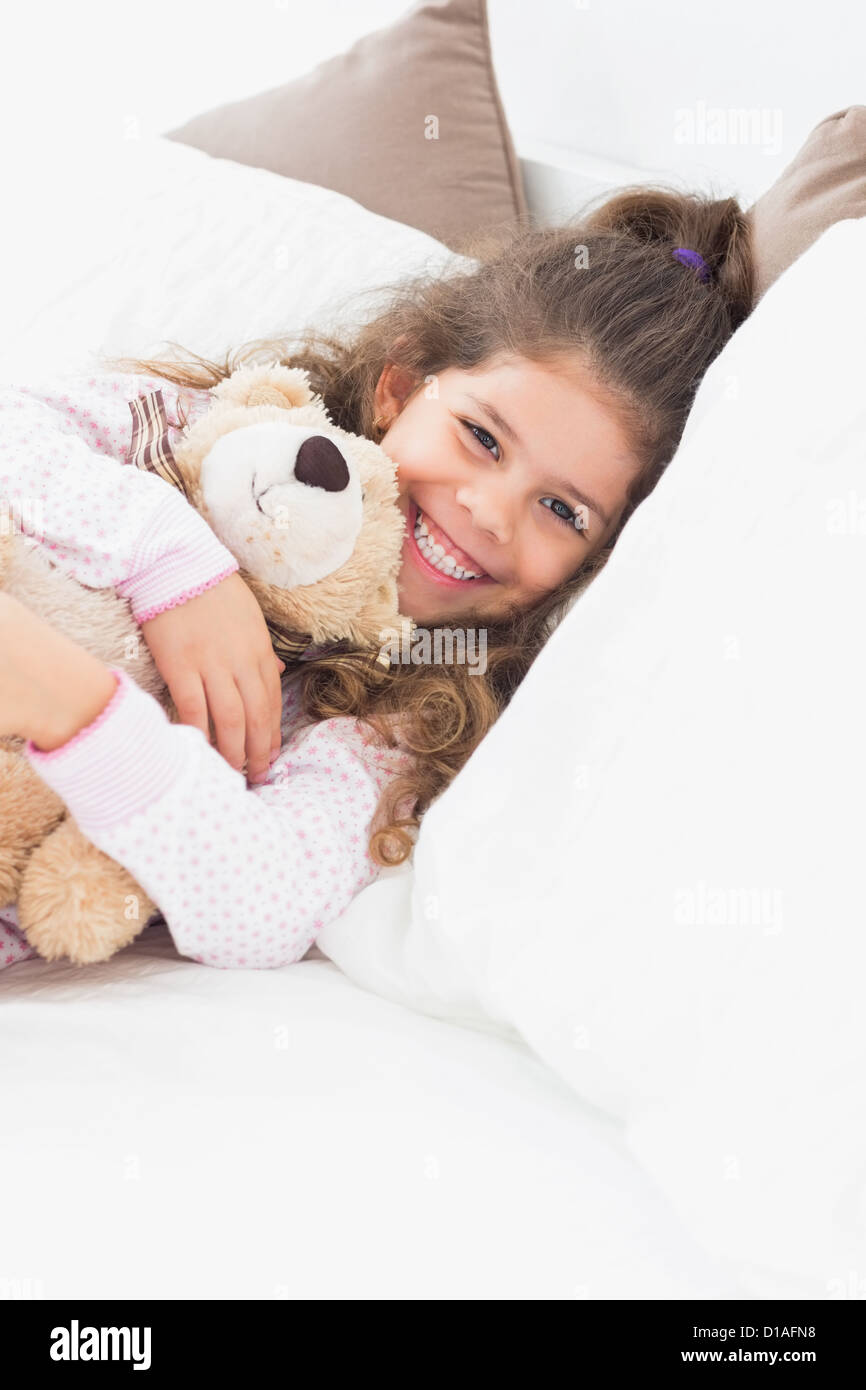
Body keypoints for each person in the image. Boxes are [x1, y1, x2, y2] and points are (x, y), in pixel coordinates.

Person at [0, 187, 753, 972]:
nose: (492, 512)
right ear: (400, 385)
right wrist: (173, 564)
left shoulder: (412, 718)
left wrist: (72, 708)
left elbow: (264, 898)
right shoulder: (228, 436)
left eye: (563, 510)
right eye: (482, 438)